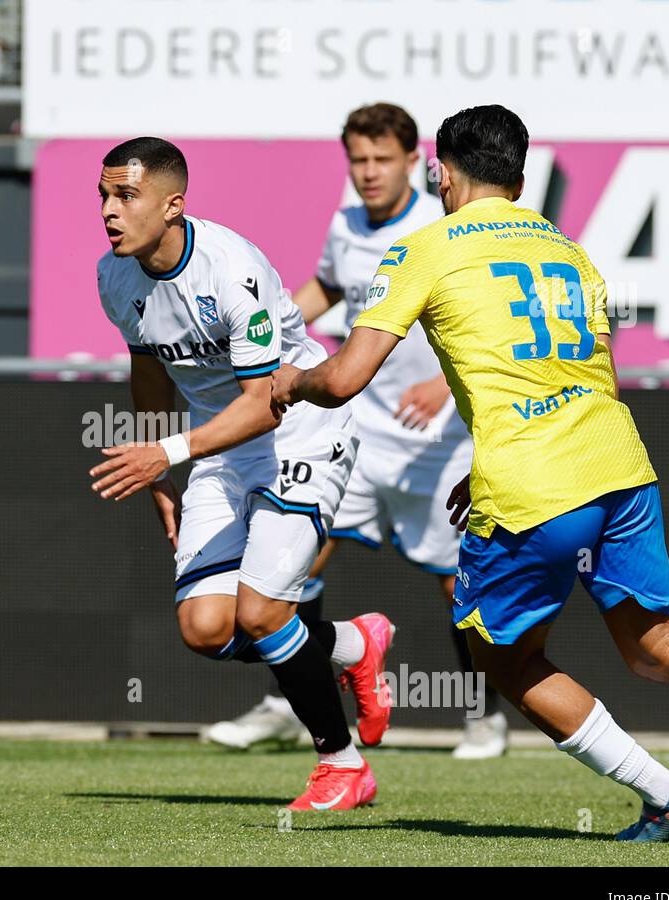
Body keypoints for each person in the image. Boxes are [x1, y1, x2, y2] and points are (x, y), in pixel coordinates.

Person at [272, 104, 669, 841]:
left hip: (533, 484)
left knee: (504, 660)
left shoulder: (427, 246)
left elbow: (348, 377)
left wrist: (291, 384)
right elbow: (600, 379)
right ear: (519, 177)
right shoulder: (572, 252)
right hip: (618, 464)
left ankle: (667, 796)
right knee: (659, 647)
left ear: (439, 172)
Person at [90, 137, 395, 811]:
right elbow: (149, 375)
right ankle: (351, 643)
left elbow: (262, 408)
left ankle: (343, 764)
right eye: (104, 196)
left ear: (174, 206)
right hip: (218, 447)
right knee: (205, 628)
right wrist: (158, 478)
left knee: (261, 612)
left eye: (126, 196)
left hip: (299, 431)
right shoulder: (115, 278)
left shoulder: (232, 269)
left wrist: (166, 456)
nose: (109, 211)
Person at [208, 103, 505, 758]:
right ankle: (288, 701)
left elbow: (484, 315)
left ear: (413, 163)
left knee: (459, 582)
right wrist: (262, 325)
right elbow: (326, 289)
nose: (369, 173)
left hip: (437, 440)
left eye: (382, 160)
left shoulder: (444, 224)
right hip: (359, 427)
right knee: (297, 558)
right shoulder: (346, 225)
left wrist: (441, 386)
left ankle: (484, 716)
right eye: (358, 161)